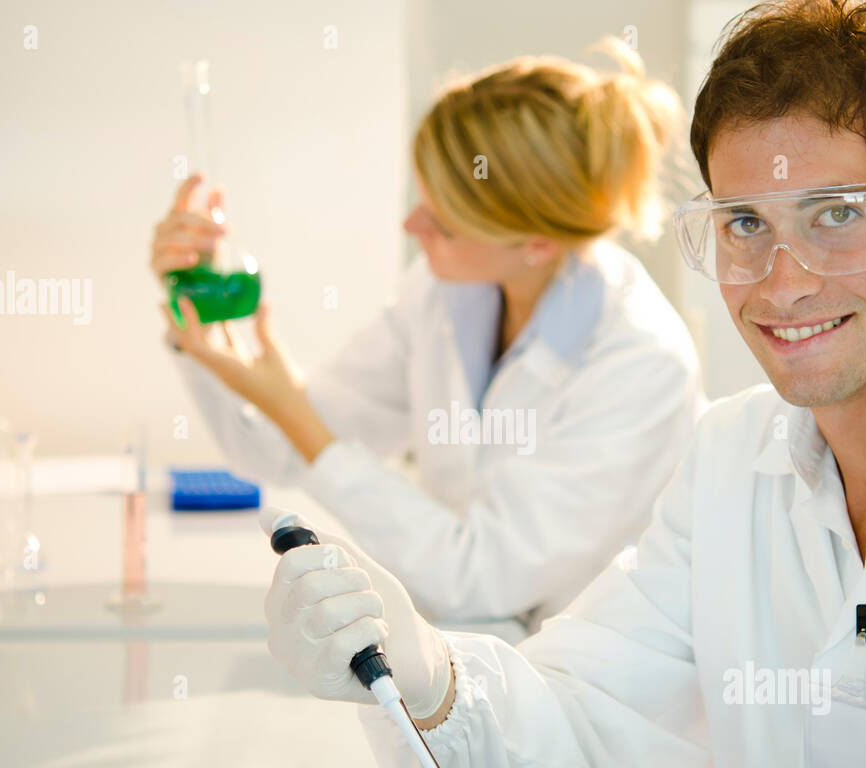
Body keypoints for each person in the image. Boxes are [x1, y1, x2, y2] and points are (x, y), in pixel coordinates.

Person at [260, 0, 866, 768]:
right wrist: (430, 678)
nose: (782, 282)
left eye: (837, 214)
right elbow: (583, 734)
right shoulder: (732, 459)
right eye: (745, 224)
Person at [152, 40, 701, 630]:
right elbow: (280, 447)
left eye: (440, 222)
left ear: (536, 243)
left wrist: (299, 418)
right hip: (458, 662)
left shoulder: (643, 363)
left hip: (585, 689)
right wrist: (202, 312)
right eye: (424, 199)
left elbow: (479, 579)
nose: (411, 226)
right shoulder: (447, 293)